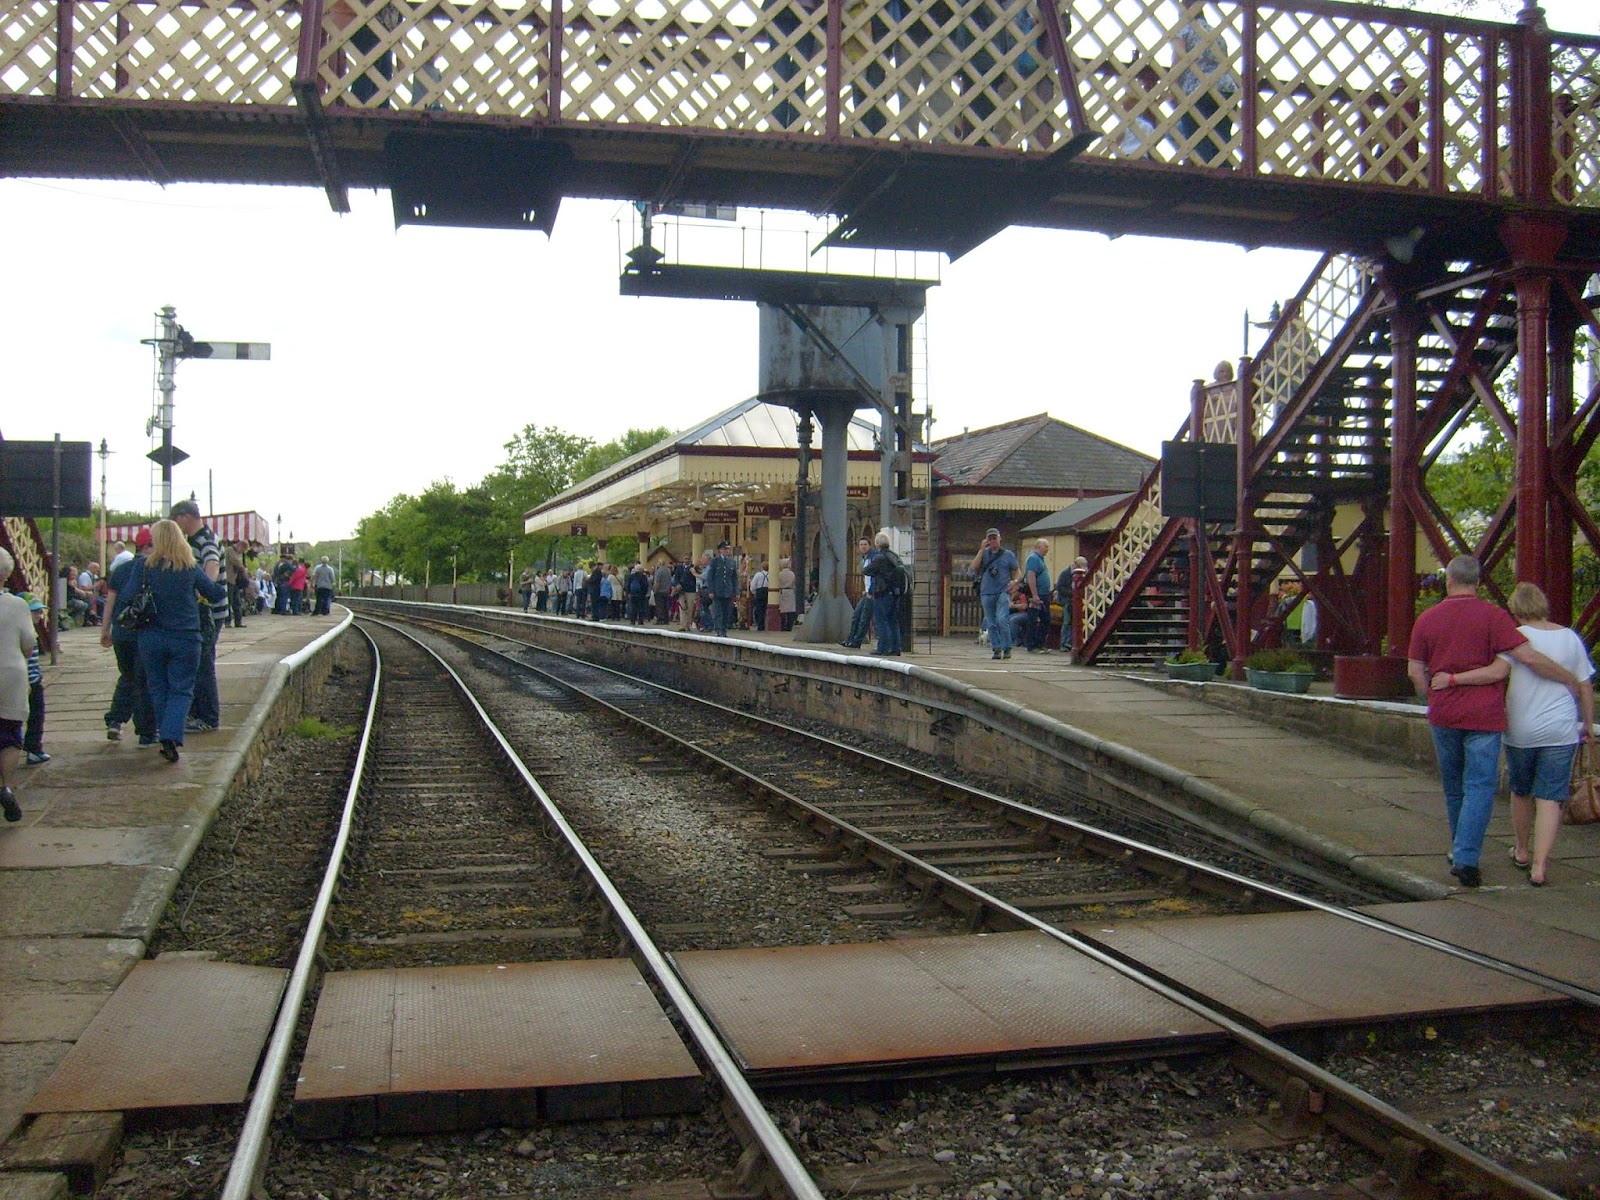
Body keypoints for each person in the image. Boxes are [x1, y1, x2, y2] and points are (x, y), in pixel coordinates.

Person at [1406, 556, 1577, 888]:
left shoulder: (1426, 619)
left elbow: (1415, 671)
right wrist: (1569, 678)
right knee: (1479, 786)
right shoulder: (1495, 617)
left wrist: (1432, 698)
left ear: (1448, 581)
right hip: (1484, 716)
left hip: (1444, 715)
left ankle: (1460, 851)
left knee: (1454, 787)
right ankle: (1467, 857)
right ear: (1478, 583)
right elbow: (1528, 657)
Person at [1451, 583, 1595, 888]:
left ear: (1515, 608)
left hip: (1521, 728)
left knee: (1521, 790)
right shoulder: (1570, 638)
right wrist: (1587, 726)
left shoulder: (1515, 637)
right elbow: (1584, 686)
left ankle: (1522, 850)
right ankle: (1540, 867)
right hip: (1561, 728)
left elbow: (1497, 673)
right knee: (1550, 798)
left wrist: (1454, 679)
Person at [124, 520, 229, 764]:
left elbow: (128, 596)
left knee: (158, 687)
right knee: (181, 689)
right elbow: (214, 593)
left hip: (151, 637)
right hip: (185, 637)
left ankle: (165, 734)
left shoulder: (143, 567)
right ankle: (172, 734)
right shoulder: (190, 568)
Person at [169, 500, 226, 734]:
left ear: (185, 517)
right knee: (198, 662)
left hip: (208, 613)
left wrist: (202, 591)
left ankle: (209, 717)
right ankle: (196, 712)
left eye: (177, 520)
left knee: (203, 663)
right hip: (208, 611)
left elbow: (211, 564)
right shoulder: (198, 539)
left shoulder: (206, 540)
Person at [100, 527, 159, 747]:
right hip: (144, 633)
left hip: (122, 633)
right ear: (147, 547)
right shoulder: (153, 569)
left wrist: (105, 631)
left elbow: (110, 603)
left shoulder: (121, 570)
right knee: (143, 681)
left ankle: (115, 720)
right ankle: (146, 732)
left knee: (128, 676)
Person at [0, 548, 36, 823]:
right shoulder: (17, 605)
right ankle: (6, 787)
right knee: (10, 734)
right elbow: (29, 644)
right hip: (10, 673)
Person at [971, 528, 1019, 660]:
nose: (993, 541)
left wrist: (1015, 582)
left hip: (1003, 591)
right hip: (987, 592)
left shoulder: (1008, 555)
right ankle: (996, 649)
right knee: (990, 622)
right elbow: (974, 567)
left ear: (999, 538)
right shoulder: (984, 554)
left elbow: (1017, 571)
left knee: (1002, 619)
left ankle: (1007, 647)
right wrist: (981, 549)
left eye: (995, 538)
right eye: (990, 539)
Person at [863, 532, 904, 656]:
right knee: (893, 620)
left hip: (882, 592)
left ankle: (883, 648)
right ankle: (896, 648)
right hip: (894, 593)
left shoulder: (880, 557)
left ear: (877, 544)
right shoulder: (894, 556)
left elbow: (867, 570)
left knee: (881, 620)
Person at [840, 538, 875, 650]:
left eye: (865, 544)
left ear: (870, 545)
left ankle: (857, 641)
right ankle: (851, 639)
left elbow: (874, 576)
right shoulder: (864, 559)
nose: (863, 547)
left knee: (864, 618)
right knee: (856, 615)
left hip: (871, 593)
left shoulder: (873, 558)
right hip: (867, 592)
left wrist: (871, 591)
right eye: (861, 545)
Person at [705, 542, 739, 637]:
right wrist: (711, 590)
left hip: (728, 591)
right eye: (725, 549)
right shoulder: (715, 561)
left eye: (728, 549)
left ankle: (724, 629)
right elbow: (710, 577)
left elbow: (734, 578)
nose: (727, 551)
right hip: (717, 591)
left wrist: (736, 591)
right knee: (718, 612)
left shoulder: (732, 562)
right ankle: (719, 630)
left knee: (727, 612)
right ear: (720, 550)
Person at [1022, 538, 1051, 652]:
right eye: (1046, 546)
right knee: (1033, 619)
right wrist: (1034, 595)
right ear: (1039, 547)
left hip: (1044, 593)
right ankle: (1032, 645)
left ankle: (1040, 643)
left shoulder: (1040, 559)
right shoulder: (1034, 558)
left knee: (1045, 619)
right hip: (1038, 594)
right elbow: (1031, 576)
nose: (1047, 549)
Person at [777, 557, 797, 632]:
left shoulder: (780, 574)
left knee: (783, 610)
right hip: (790, 591)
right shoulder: (792, 574)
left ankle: (783, 625)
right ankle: (789, 626)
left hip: (782, 591)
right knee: (790, 610)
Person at [750, 560, 770, 633]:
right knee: (765, 609)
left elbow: (753, 585)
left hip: (759, 592)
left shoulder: (758, 575)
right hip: (767, 592)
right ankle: (764, 624)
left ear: (762, 567)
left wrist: (754, 592)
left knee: (758, 609)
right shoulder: (770, 575)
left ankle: (760, 624)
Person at [652, 558, 674, 624]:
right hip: (666, 590)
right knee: (665, 606)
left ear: (660, 564)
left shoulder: (659, 571)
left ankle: (660, 619)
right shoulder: (668, 571)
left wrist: (655, 590)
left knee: (659, 606)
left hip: (659, 591)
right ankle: (666, 620)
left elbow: (657, 582)